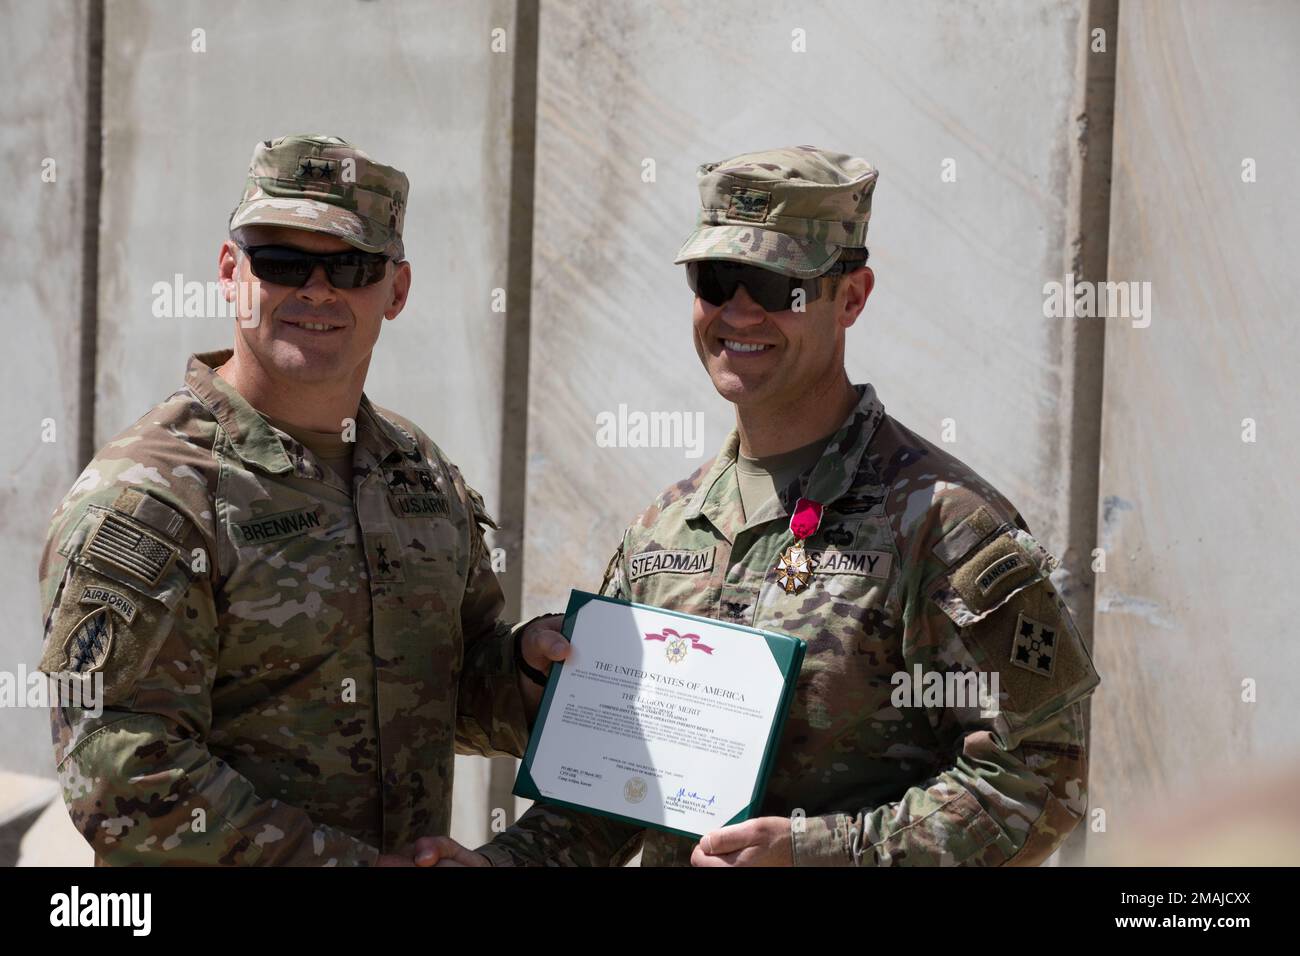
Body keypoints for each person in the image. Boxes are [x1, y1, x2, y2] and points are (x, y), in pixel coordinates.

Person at [436, 145, 1101, 867]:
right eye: (717, 279)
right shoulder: (666, 526)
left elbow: (1037, 778)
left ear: (851, 297)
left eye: (778, 284)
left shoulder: (947, 525)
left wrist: (822, 854)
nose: (740, 311)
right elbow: (617, 789)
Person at [35, 134, 566, 866]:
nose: (316, 290)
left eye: (351, 266)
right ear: (231, 273)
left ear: (397, 290)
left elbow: (449, 692)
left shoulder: (416, 472)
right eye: (282, 263)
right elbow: (118, 773)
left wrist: (529, 678)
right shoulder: (153, 495)